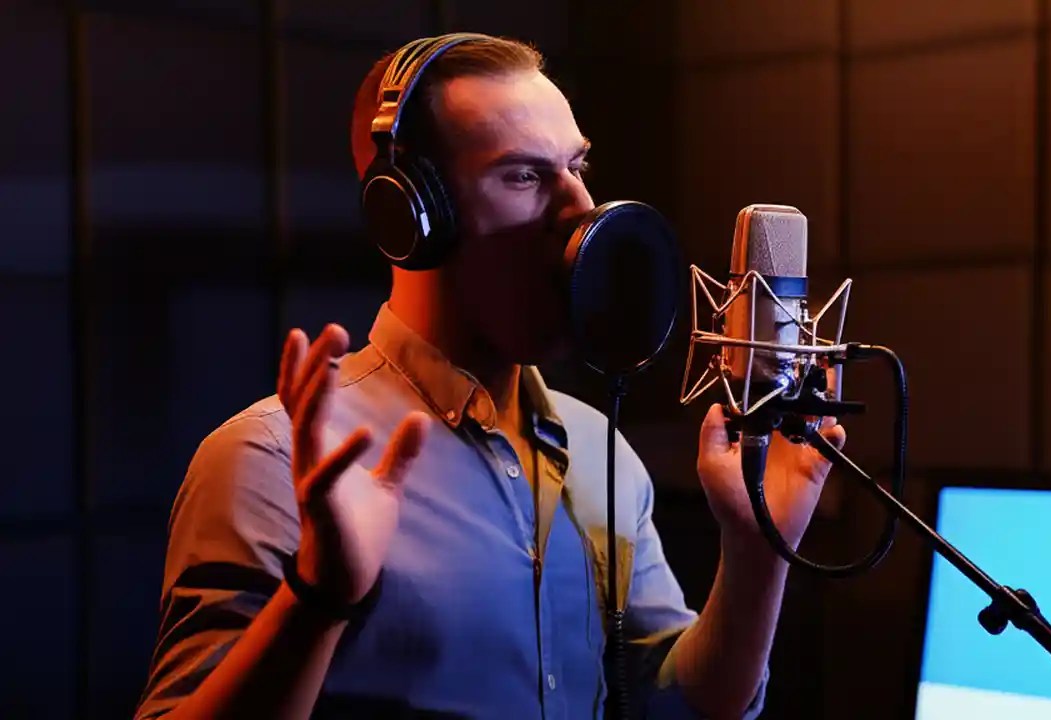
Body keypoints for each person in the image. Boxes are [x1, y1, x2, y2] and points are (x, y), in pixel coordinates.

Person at [133, 32, 846, 720]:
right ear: (411, 215)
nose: (581, 212)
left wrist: (757, 550)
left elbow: (683, 702)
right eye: (526, 176)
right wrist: (317, 595)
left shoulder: (601, 451)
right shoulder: (269, 460)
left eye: (579, 169)